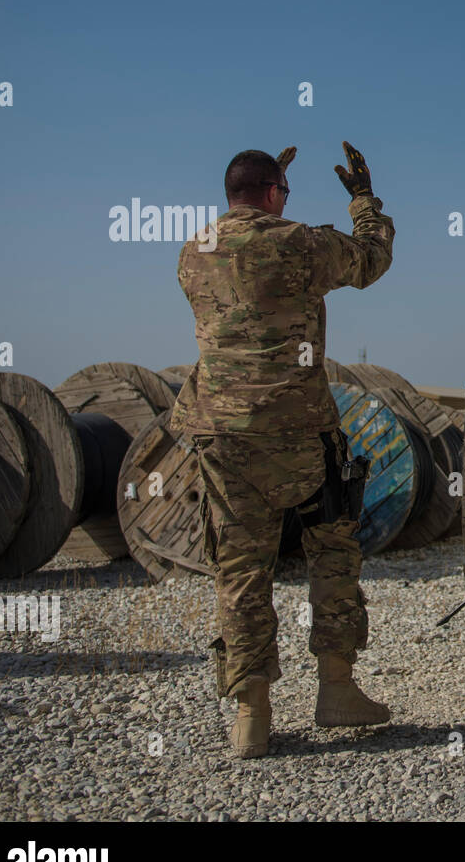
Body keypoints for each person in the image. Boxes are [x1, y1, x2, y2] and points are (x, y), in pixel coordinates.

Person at [169, 142, 395, 758]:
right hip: (298, 428)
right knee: (332, 545)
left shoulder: (194, 252)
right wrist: (362, 200)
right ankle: (337, 690)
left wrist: (271, 197)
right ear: (273, 194)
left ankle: (250, 715)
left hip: (220, 431)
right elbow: (372, 259)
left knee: (239, 568)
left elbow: (242, 282)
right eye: (284, 193)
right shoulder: (300, 244)